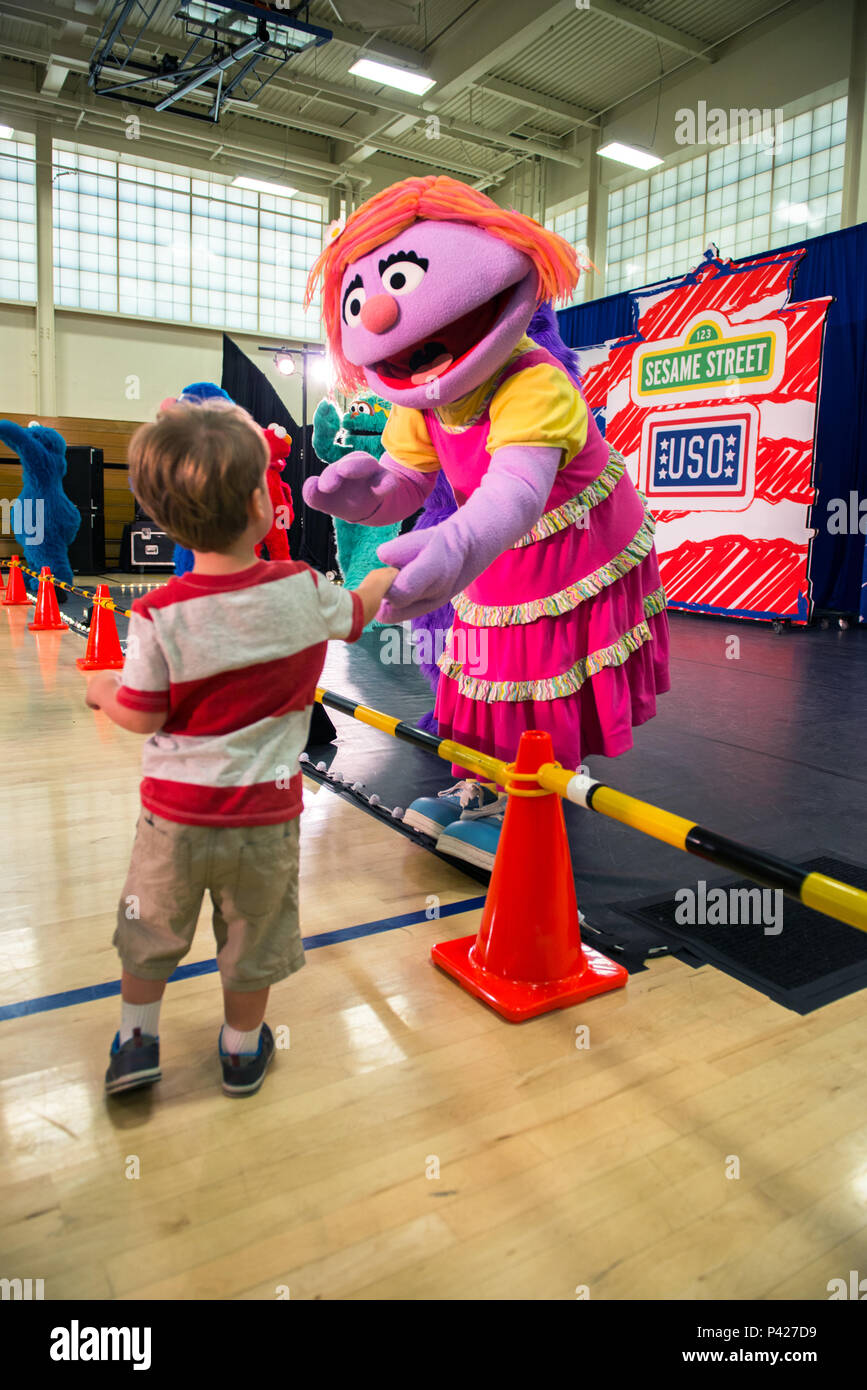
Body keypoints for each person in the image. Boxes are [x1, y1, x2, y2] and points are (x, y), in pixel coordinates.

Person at [85, 397, 396, 1097]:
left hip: (174, 817)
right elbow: (361, 608)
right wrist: (387, 569)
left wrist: (103, 691)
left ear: (163, 520)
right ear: (264, 503)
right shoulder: (301, 590)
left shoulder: (157, 613)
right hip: (263, 815)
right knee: (252, 938)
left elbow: (140, 713)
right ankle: (237, 1048)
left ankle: (137, 1041)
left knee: (152, 928)